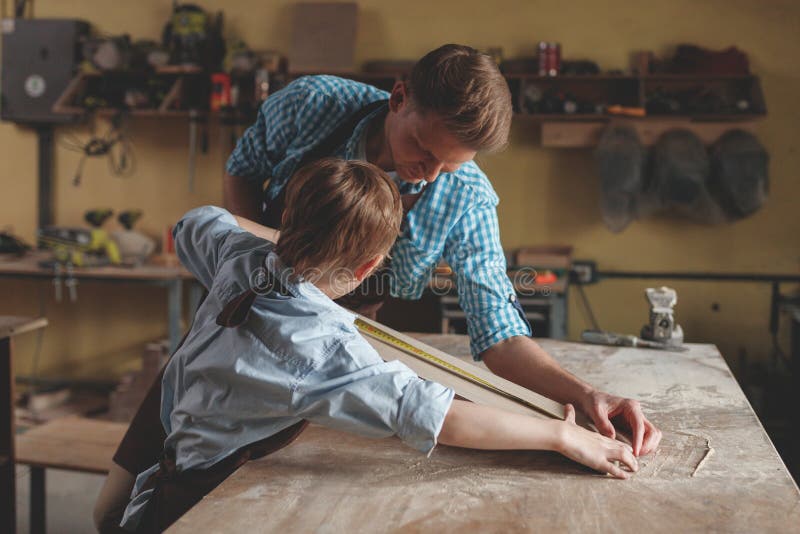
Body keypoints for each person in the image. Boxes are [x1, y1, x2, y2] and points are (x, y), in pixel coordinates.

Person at [112, 159, 638, 532]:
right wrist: (562, 437)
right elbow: (440, 416)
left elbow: (197, 220)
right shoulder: (324, 347)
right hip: (202, 497)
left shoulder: (236, 256)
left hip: (175, 454)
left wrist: (288, 241)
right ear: (367, 270)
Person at [223, 44, 662, 454]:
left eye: (448, 164)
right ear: (399, 98)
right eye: (423, 148)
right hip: (247, 299)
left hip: (341, 336)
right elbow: (242, 171)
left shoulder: (466, 198)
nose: (428, 175)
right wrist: (251, 266)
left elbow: (500, 336)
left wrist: (585, 395)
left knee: (281, 454)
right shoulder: (312, 103)